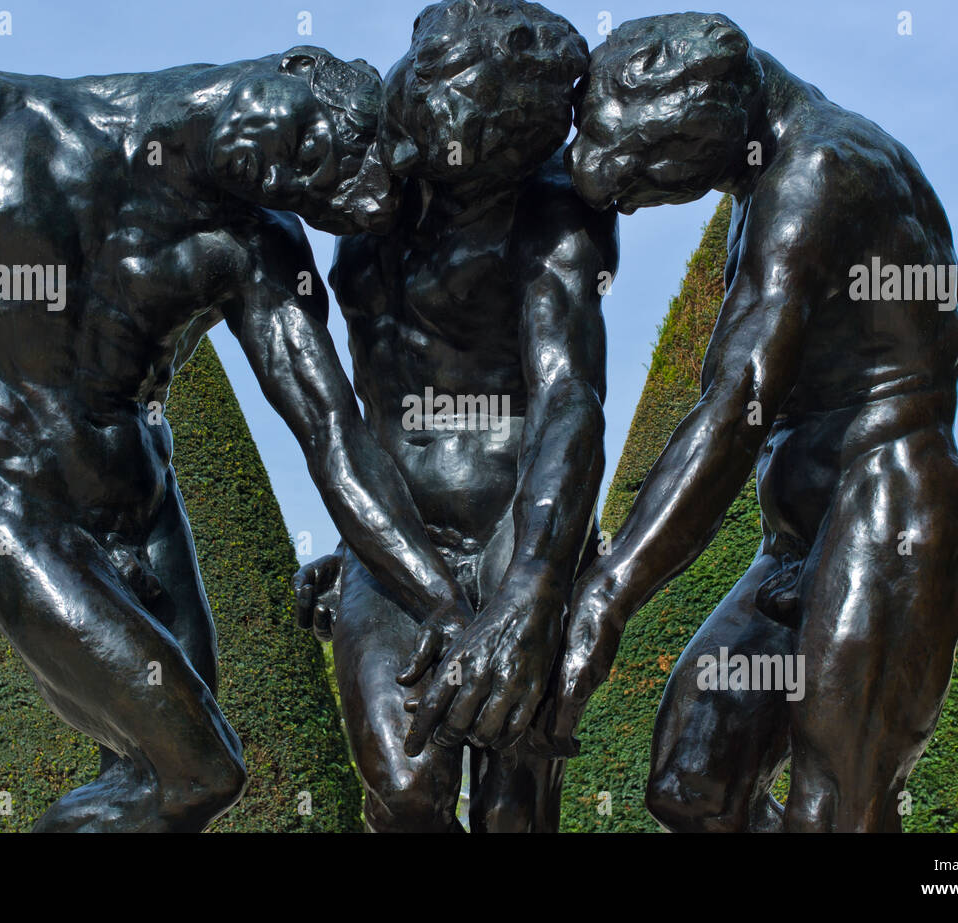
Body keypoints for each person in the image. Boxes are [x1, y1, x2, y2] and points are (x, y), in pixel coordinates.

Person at [0, 46, 471, 832]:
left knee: (156, 784)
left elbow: (332, 435)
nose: (275, 177)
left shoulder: (253, 244)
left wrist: (439, 597)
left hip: (142, 515)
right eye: (307, 147)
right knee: (197, 773)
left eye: (301, 188)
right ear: (298, 64)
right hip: (4, 500)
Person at [539, 12, 958, 832]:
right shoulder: (769, 177)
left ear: (698, 118)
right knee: (690, 786)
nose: (632, 202)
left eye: (640, 172)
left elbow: (734, 405)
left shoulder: (821, 169)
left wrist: (603, 597)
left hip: (892, 516)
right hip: (797, 540)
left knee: (835, 812)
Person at [297, 0, 616, 831]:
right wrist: (356, 533)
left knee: (514, 805)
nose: (413, 155)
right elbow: (362, 401)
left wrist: (540, 583)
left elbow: (568, 399)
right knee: (405, 793)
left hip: (516, 520)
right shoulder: (370, 181)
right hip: (400, 532)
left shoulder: (551, 210)